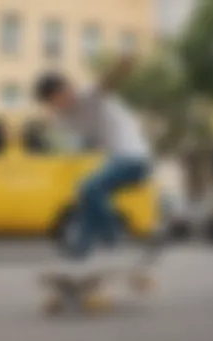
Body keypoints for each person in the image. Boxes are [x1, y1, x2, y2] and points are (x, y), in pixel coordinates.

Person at [34, 56, 152, 260]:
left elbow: (106, 84)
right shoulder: (64, 119)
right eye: (55, 102)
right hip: (117, 159)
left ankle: (113, 234)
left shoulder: (88, 96)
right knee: (86, 201)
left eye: (63, 95)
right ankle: (81, 249)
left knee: (88, 188)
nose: (62, 102)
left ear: (69, 88)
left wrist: (122, 66)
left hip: (135, 158)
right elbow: (80, 142)